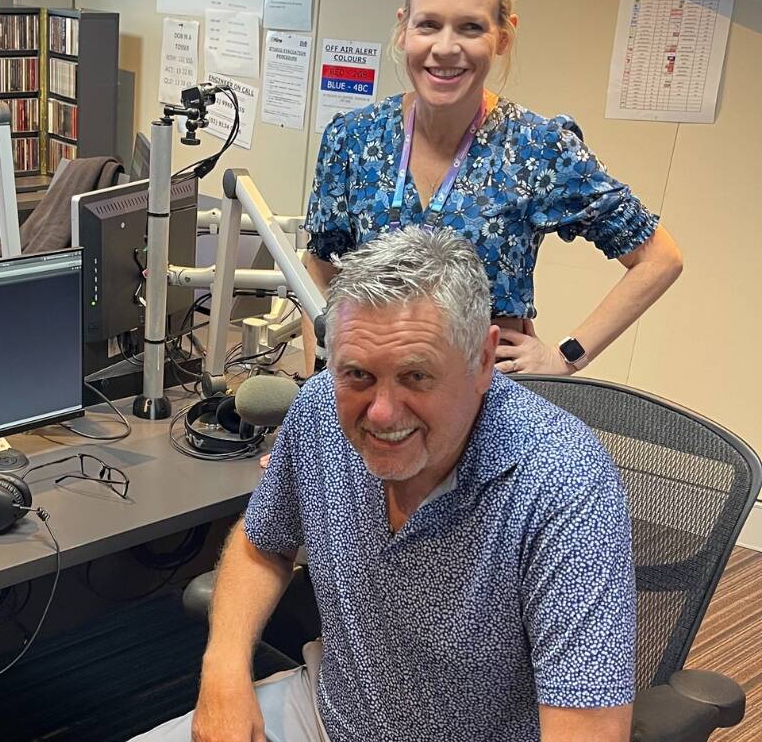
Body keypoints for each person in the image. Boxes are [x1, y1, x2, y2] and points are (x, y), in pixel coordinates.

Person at [134, 227, 636, 741]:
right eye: (359, 375)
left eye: (416, 376)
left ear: (483, 361)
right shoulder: (320, 414)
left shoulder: (566, 484)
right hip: (328, 716)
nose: (381, 413)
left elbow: (589, 730)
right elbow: (261, 544)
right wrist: (223, 675)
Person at [301, 0, 682, 377]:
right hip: (373, 392)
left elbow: (659, 258)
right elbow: (320, 265)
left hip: (482, 395)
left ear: (502, 36)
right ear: (404, 28)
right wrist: (327, 381)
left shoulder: (538, 149)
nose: (445, 48)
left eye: (470, 27)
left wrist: (566, 356)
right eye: (429, 24)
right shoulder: (352, 138)